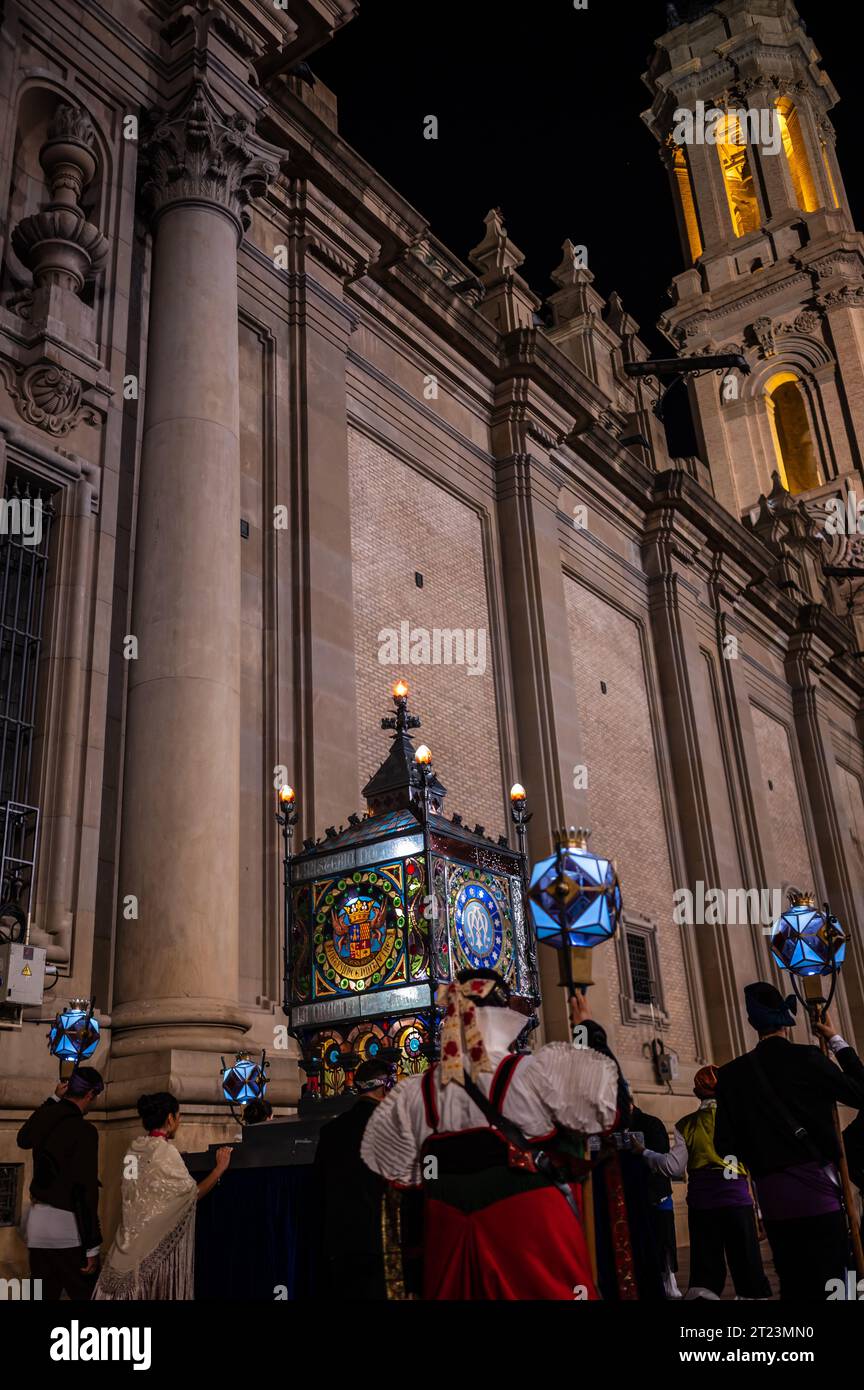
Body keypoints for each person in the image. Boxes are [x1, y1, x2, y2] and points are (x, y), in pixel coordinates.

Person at [360, 968, 618, 1300]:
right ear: (504, 1018)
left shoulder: (416, 1092)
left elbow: (398, 1181)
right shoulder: (533, 1074)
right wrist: (586, 1030)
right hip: (529, 1233)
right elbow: (610, 1109)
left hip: (449, 1235)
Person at [714, 981, 864, 1301]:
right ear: (785, 1020)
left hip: (773, 1202)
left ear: (753, 1023)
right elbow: (861, 1092)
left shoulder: (731, 1075)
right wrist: (834, 1040)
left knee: (794, 1286)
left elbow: (724, 1146)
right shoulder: (809, 1057)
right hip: (820, 1195)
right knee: (835, 1284)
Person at [633, 1064, 770, 1300]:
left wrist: (643, 1152)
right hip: (737, 1201)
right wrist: (760, 1213)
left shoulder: (687, 1124)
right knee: (747, 1264)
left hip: (703, 1205)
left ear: (697, 1093)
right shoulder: (740, 1119)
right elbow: (757, 1165)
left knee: (706, 1268)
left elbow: (672, 1166)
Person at [93, 1092, 233, 1299]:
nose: (179, 1121)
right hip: (148, 1249)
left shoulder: (134, 1148)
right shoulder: (166, 1152)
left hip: (124, 1243)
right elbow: (191, 1196)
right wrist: (218, 1170)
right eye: (178, 1116)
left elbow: (133, 1187)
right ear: (170, 1118)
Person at [16, 1067, 104, 1300]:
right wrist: (92, 1245)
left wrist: (54, 1099)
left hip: (37, 1226)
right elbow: (85, 1190)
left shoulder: (47, 1118)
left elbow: (23, 1138)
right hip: (68, 1229)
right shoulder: (85, 1131)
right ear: (91, 1094)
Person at [312, 1058, 396, 1300]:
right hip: (379, 1242)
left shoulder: (331, 1131)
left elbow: (318, 1190)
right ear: (385, 1086)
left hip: (340, 1243)